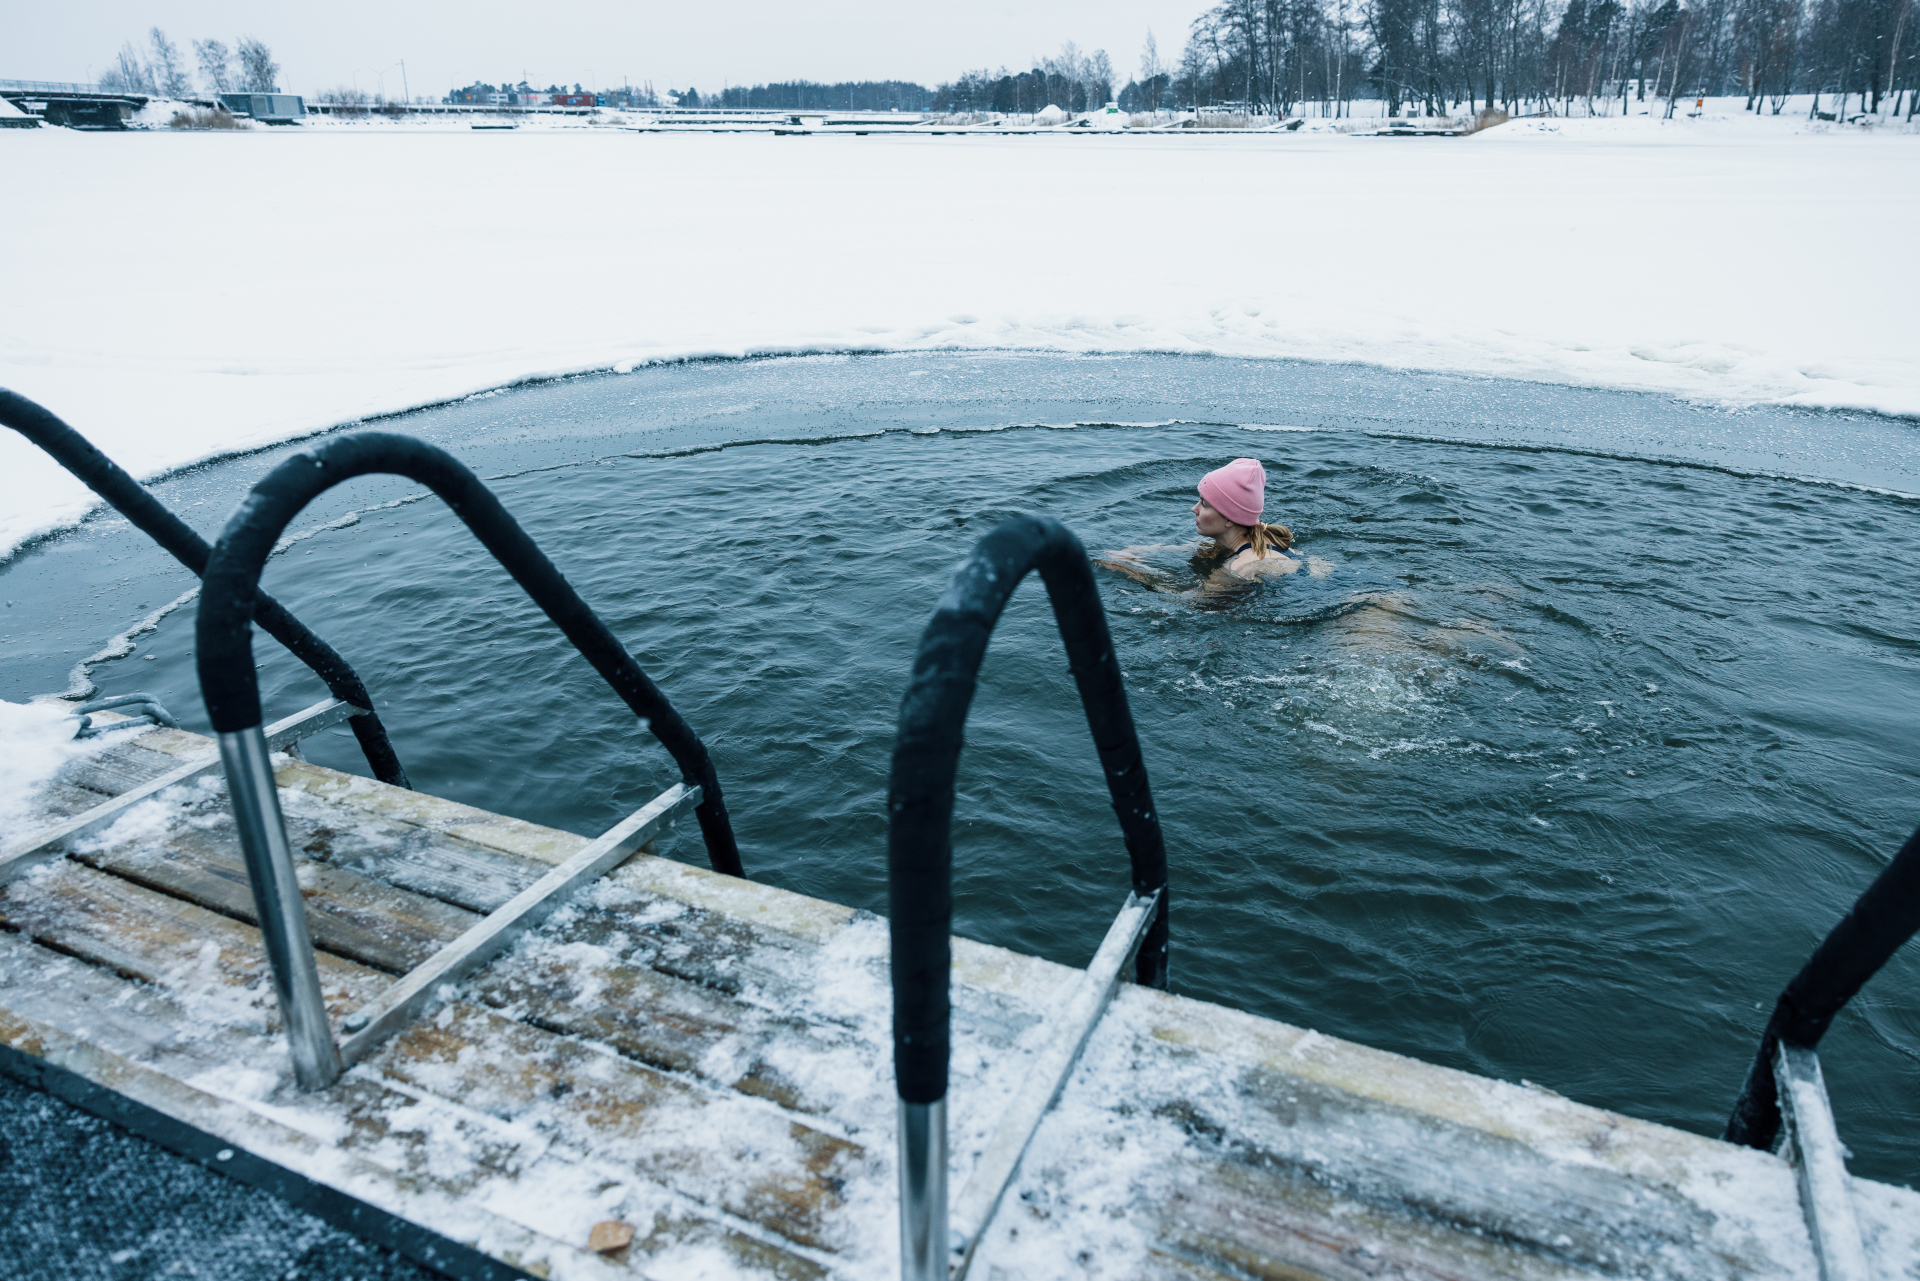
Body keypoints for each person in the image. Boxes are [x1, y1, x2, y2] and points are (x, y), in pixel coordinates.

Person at [1100, 457, 1321, 596]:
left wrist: (1128, 571)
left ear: (1229, 518)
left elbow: (1189, 603)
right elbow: (1187, 549)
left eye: (1204, 503)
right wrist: (1139, 554)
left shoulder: (1240, 568)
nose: (1194, 509)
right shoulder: (1263, 536)